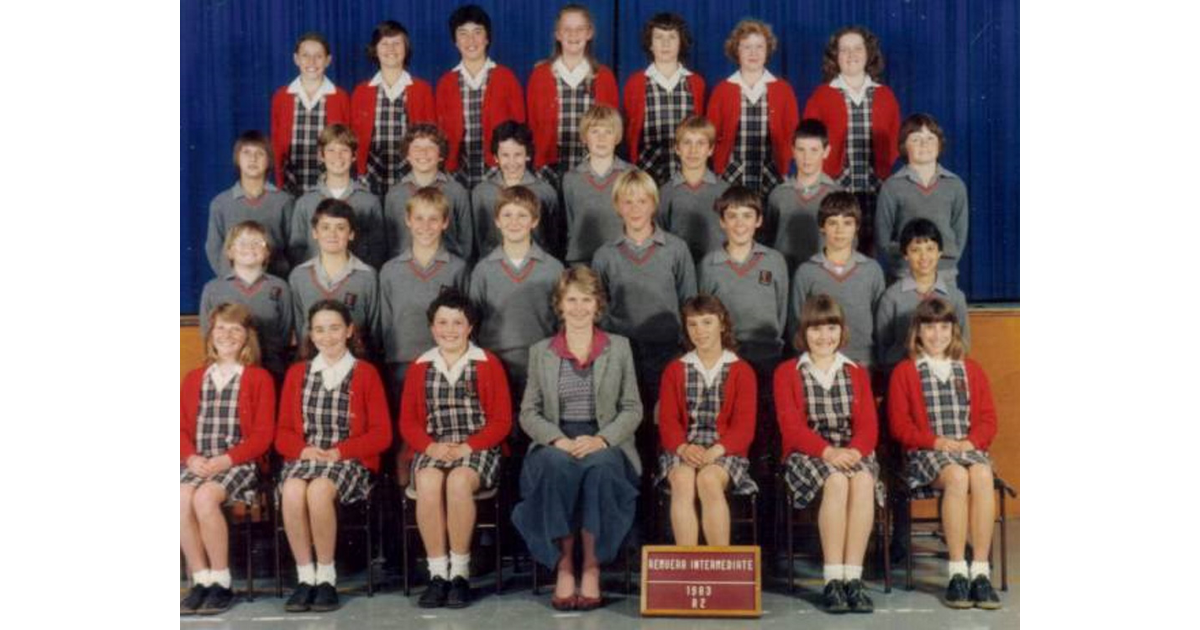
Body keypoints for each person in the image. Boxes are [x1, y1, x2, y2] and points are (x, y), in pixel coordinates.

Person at [511, 267, 643, 611]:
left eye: (587, 300)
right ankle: (565, 564)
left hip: (605, 441)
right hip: (557, 441)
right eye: (572, 300)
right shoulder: (543, 351)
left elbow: (632, 409)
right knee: (556, 468)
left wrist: (602, 439)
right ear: (560, 304)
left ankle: (592, 566)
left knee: (600, 471)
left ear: (598, 305)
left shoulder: (619, 348)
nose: (579, 307)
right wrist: (557, 440)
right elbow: (529, 412)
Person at [275, 300, 391, 613]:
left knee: (319, 490)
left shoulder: (364, 373)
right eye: (320, 330)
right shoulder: (298, 373)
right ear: (310, 335)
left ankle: (325, 577)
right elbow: (282, 432)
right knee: (293, 490)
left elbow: (382, 434)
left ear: (349, 331)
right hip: (307, 456)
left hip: (348, 460)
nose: (328, 336)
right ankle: (305, 578)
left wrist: (341, 451)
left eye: (335, 328)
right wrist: (303, 450)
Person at [400, 290, 513, 609]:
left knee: (459, 481)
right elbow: (408, 422)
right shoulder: (420, 366)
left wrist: (467, 446)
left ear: (470, 327)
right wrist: (431, 446)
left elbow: (502, 421)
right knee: (428, 481)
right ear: (432, 327)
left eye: (457, 322)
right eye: (442, 322)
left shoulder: (488, 363)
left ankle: (460, 572)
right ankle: (438, 574)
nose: (449, 329)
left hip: (478, 446)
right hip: (433, 446)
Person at [887, 296, 1000, 610]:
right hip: (927, 453)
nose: (937, 334)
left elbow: (989, 420)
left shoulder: (971, 370)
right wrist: (935, 442)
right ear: (918, 331)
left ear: (954, 329)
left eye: (944, 326)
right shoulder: (905, 372)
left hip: (967, 449)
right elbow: (900, 425)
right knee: (956, 476)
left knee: (980, 472)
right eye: (929, 327)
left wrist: (971, 441)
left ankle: (979, 571)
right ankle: (956, 573)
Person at [775, 294, 884, 614]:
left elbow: (868, 428)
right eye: (816, 329)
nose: (825, 337)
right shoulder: (788, 372)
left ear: (842, 331)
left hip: (851, 451)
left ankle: (854, 578)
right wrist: (827, 452)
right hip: (807, 453)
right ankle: (832, 580)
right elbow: (791, 427)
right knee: (836, 482)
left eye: (831, 328)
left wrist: (852, 451)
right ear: (803, 332)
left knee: (863, 480)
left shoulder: (856, 372)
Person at [180, 303, 276, 616]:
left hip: (238, 463)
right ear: (210, 334)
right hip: (199, 461)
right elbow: (177, 427)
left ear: (248, 337)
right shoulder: (195, 378)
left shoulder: (257, 378)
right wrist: (189, 457)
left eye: (236, 329)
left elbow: (263, 435)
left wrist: (227, 459)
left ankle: (221, 580)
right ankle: (200, 579)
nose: (227, 335)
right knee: (180, 497)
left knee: (206, 498)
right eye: (221, 327)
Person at [591, 169, 696, 436]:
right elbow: (598, 309)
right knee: (626, 424)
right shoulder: (605, 254)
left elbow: (689, 301)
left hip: (667, 351)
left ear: (653, 203)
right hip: (622, 353)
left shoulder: (676, 249)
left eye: (642, 201)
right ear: (617, 206)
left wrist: (685, 348)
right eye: (627, 201)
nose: (635, 209)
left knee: (665, 422)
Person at [657, 295, 757, 547]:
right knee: (682, 480)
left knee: (709, 480)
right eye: (692, 324)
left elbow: (744, 428)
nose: (700, 331)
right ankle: (689, 561)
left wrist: (716, 451)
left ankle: (717, 562)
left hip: (725, 449)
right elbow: (668, 422)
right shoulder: (675, 369)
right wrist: (683, 448)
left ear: (722, 324)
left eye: (707, 322)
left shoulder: (741, 370)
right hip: (684, 447)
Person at [803, 26, 901, 252]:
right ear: (835, 57)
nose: (851, 55)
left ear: (868, 54)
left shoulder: (884, 95)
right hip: (836, 187)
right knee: (837, 249)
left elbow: (896, 141)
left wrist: (881, 171)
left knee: (872, 251)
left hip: (875, 187)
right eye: (844, 50)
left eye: (858, 49)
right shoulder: (822, 95)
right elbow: (810, 142)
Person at [468, 186, 564, 405]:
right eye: (507, 215)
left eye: (522, 215)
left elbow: (563, 321)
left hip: (542, 361)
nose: (514, 222)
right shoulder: (483, 270)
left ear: (535, 221)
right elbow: (472, 323)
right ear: (497, 221)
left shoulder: (554, 268)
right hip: (495, 363)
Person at [526, 3, 619, 185]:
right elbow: (532, 124)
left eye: (579, 29)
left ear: (589, 33)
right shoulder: (540, 75)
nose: (573, 35)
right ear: (558, 34)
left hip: (593, 165)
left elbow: (612, 127)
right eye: (567, 29)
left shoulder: (604, 76)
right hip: (548, 167)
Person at [436, 4, 526, 189]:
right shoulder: (446, 82)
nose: (471, 40)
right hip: (456, 169)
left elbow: (520, 127)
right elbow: (439, 132)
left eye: (477, 32)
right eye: (463, 33)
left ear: (487, 38)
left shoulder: (506, 77)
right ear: (455, 41)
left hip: (498, 168)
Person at [790, 192, 885, 367]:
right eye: (832, 222)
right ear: (822, 227)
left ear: (857, 226)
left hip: (863, 362)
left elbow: (881, 326)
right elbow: (796, 324)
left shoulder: (872, 270)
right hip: (818, 362)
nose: (839, 230)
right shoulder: (806, 272)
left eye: (847, 223)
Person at [707, 19, 798, 199]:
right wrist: (718, 168)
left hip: (772, 172)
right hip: (731, 172)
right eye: (746, 47)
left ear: (767, 51)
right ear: (737, 50)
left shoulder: (783, 89)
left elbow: (792, 134)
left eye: (759, 47)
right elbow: (710, 135)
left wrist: (786, 167)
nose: (753, 53)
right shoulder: (722, 90)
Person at [875, 113, 969, 284]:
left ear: (940, 144)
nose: (924, 144)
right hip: (904, 275)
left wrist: (943, 263)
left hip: (944, 276)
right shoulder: (892, 186)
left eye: (930, 138)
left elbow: (960, 236)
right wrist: (906, 263)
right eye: (916, 139)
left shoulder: (955, 185)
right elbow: (884, 239)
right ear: (904, 146)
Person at [350, 20, 436, 197]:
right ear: (375, 49)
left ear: (406, 48)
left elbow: (432, 136)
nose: (391, 49)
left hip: (411, 169)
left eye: (397, 43)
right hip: (371, 171)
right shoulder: (361, 91)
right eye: (385, 43)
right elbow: (354, 138)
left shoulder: (422, 89)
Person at [199, 221, 294, 381]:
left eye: (257, 243)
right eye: (241, 243)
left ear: (267, 252)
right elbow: (208, 333)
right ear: (229, 251)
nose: (249, 247)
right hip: (227, 370)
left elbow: (284, 334)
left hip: (272, 370)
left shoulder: (280, 287)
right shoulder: (213, 289)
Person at [874, 219, 970, 373]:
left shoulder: (955, 297)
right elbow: (883, 348)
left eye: (930, 249)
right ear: (905, 254)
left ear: (940, 253)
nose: (924, 256)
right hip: (903, 377)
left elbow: (963, 343)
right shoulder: (891, 297)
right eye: (915, 250)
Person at [622, 12, 706, 186]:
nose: (665, 43)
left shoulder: (695, 82)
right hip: (646, 169)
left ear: (681, 43)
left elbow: (702, 129)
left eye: (672, 37)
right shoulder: (636, 82)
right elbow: (630, 131)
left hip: (687, 169)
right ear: (650, 44)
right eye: (659, 37)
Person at [288, 124, 387, 269]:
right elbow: (296, 249)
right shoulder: (305, 202)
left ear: (354, 156)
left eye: (344, 150)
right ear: (321, 156)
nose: (338, 156)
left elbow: (378, 249)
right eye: (331, 150)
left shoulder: (369, 202)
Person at [287, 199, 379, 351]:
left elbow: (375, 331)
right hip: (311, 363)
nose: (332, 234)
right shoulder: (299, 276)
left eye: (340, 228)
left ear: (351, 234)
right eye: (325, 227)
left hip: (356, 363)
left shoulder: (368, 277)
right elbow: (299, 327)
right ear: (315, 233)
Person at [271, 31, 351, 196]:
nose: (311, 62)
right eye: (305, 55)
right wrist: (279, 182)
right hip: (291, 183)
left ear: (328, 60)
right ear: (296, 59)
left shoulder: (340, 97)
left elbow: (347, 145)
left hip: (329, 184)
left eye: (318, 56)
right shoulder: (281, 97)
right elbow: (276, 143)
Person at [205, 131, 293, 278]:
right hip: (233, 286)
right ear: (237, 159)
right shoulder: (221, 203)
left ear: (269, 160)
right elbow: (213, 248)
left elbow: (294, 248)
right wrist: (231, 279)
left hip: (275, 284)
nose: (253, 158)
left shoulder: (284, 201)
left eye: (260, 153)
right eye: (246, 152)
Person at [383, 124, 474, 262]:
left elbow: (466, 240)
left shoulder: (456, 192)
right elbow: (390, 242)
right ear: (407, 155)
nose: (423, 153)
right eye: (417, 148)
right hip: (404, 270)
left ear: (441, 155)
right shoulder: (394, 195)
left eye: (430, 148)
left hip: (448, 269)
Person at [470, 121, 559, 256]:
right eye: (505, 155)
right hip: (493, 269)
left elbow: (553, 240)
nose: (512, 162)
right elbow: (477, 240)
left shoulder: (545, 192)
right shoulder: (481, 193)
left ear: (527, 155)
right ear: (496, 157)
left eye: (518, 155)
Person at [766, 119, 842, 275]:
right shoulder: (778, 194)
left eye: (814, 150)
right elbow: (767, 240)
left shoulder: (838, 195)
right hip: (785, 275)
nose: (807, 157)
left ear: (826, 151)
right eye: (801, 150)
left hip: (824, 276)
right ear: (793, 151)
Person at [561, 105, 633, 264]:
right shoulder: (571, 179)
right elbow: (571, 226)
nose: (602, 138)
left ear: (617, 137)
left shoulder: (632, 175)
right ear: (585, 137)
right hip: (583, 263)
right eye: (595, 132)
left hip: (624, 261)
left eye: (608, 132)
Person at [657, 116, 730, 263]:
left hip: (717, 271)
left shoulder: (725, 191)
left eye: (701, 143)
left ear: (711, 149)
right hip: (677, 269)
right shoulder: (664, 193)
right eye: (687, 143)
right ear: (677, 148)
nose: (693, 150)